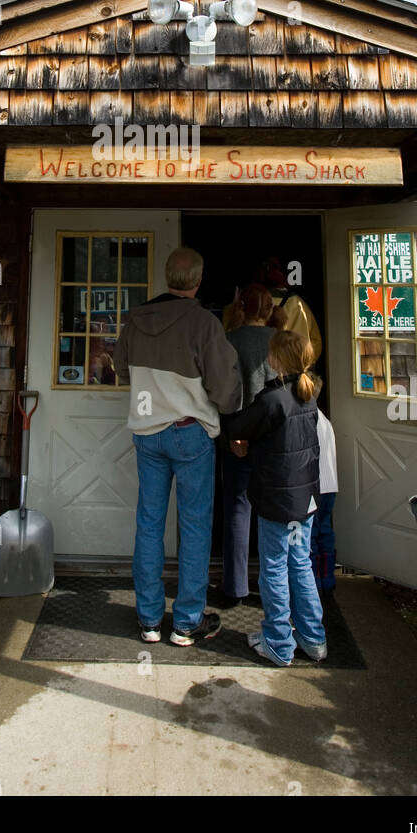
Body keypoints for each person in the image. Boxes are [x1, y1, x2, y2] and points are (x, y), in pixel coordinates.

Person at [114, 247, 242, 647]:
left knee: (149, 524)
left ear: (166, 277)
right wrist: (234, 408)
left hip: (147, 433)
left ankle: (149, 620)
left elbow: (120, 369)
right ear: (198, 281)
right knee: (195, 526)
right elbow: (225, 390)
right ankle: (186, 622)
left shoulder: (135, 320)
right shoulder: (205, 323)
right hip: (190, 435)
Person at [220, 330, 327, 666]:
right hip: (305, 498)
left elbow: (238, 428)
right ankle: (313, 639)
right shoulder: (308, 395)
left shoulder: (272, 399)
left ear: (277, 359)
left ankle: (279, 643)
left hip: (277, 501)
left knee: (274, 569)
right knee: (301, 564)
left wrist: (239, 440)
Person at [212, 283, 287, 609]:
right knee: (274, 513)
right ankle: (273, 591)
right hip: (273, 440)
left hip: (237, 438)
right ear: (269, 310)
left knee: (237, 510)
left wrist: (230, 436)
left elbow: (222, 394)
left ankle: (234, 587)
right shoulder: (280, 343)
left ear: (241, 307)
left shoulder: (229, 340)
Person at [222, 255, 323, 364]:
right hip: (290, 369)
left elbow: (224, 344)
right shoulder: (298, 304)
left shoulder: (237, 307)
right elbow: (315, 346)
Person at [310, 407, 338, 592]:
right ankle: (327, 577)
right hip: (330, 486)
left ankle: (312, 580)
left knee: (311, 534)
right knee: (325, 531)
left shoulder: (309, 420)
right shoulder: (326, 421)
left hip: (315, 486)